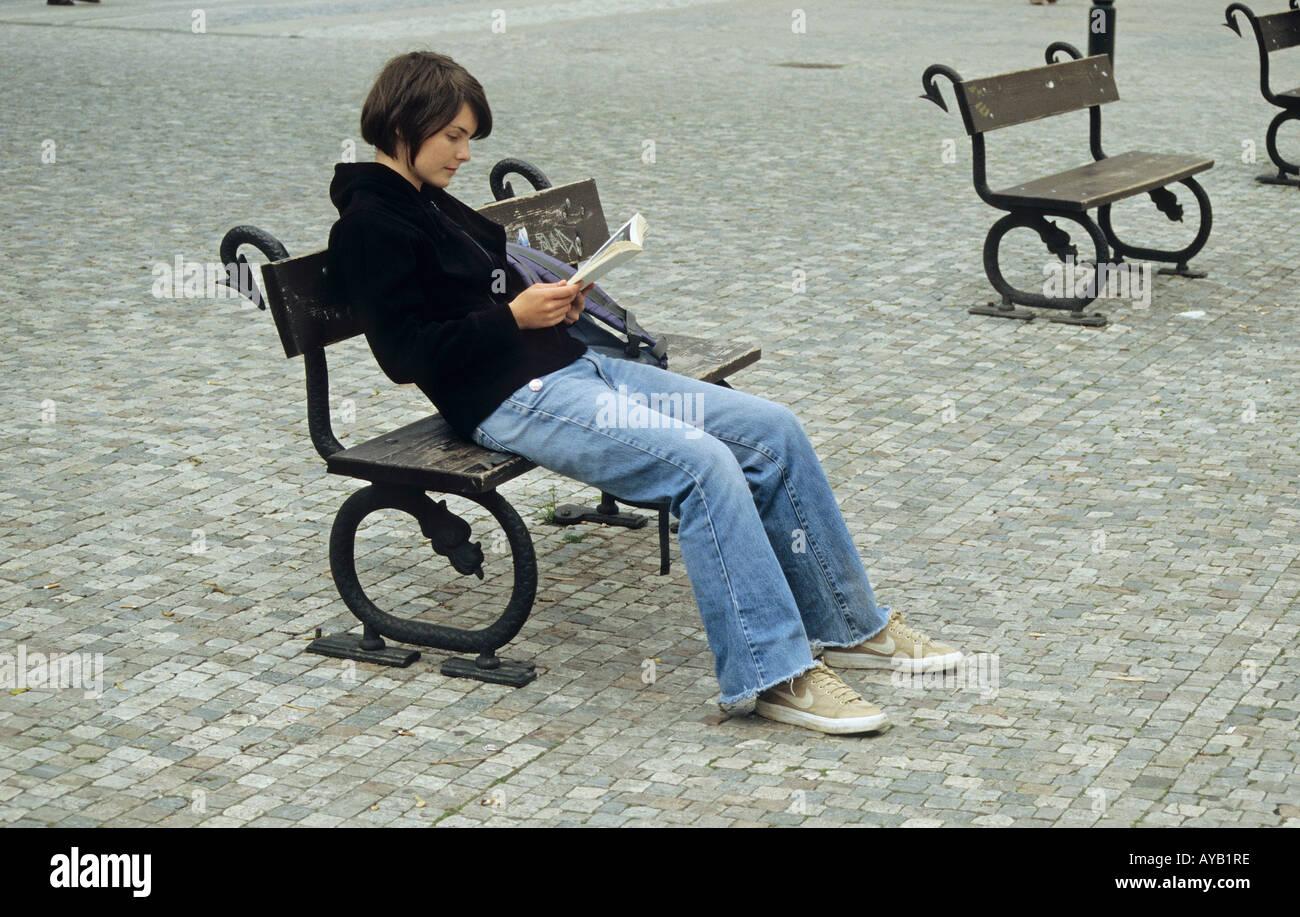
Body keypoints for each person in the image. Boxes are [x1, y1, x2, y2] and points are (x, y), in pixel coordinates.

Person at [327, 51, 965, 735]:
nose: (464, 151)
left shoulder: (426, 200)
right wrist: (513, 317)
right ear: (405, 121)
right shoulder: (372, 223)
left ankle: (848, 623)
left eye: (469, 137)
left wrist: (554, 303)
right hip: (510, 396)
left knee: (773, 430)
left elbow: (484, 296)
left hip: (580, 365)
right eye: (453, 135)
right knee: (703, 463)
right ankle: (773, 674)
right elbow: (404, 355)